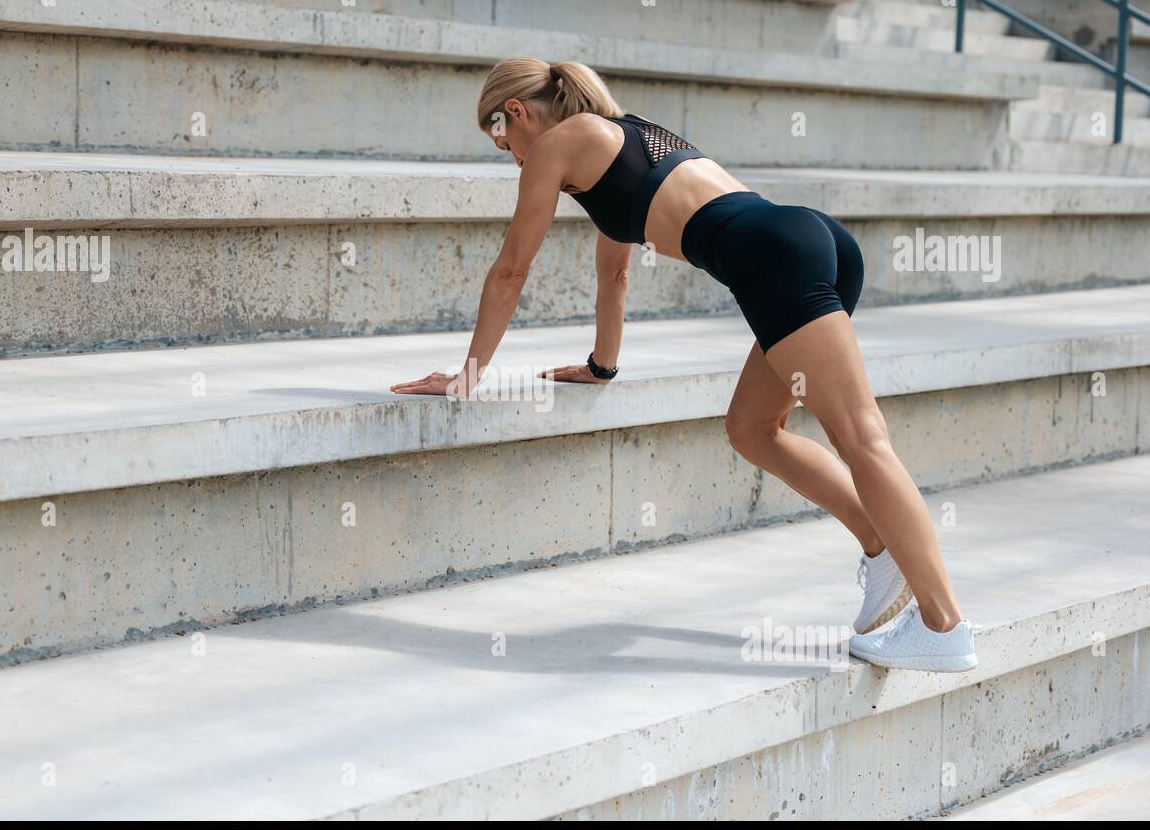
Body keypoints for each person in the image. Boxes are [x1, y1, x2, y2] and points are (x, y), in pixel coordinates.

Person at [391, 58, 976, 673]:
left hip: (772, 258)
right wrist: (601, 366)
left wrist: (469, 373)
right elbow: (614, 273)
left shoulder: (557, 146)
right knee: (752, 429)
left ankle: (943, 626)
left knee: (861, 437)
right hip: (812, 239)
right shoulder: (621, 135)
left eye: (502, 142)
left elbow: (512, 267)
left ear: (514, 112)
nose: (511, 157)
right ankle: (881, 548)